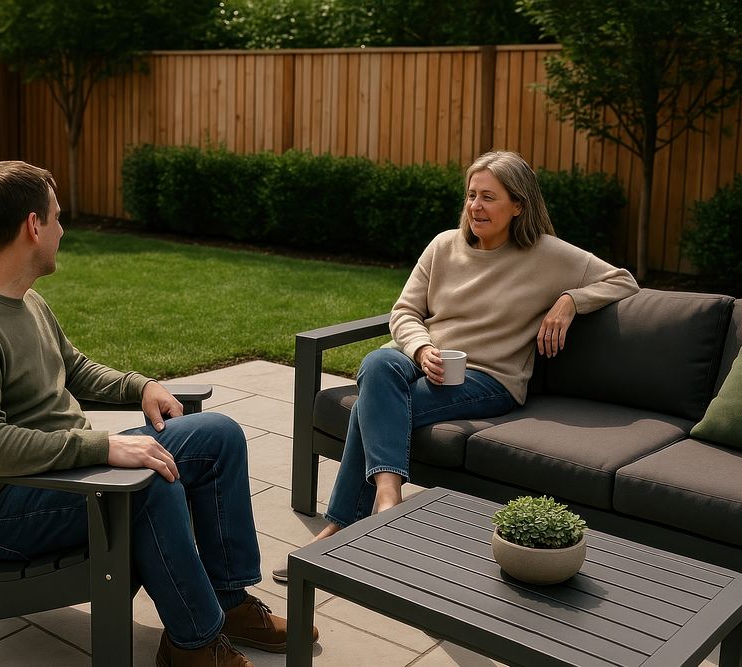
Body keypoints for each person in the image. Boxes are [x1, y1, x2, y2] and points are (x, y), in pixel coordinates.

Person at [0, 160, 315, 667]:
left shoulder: (26, 301)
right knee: (150, 481)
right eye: (57, 217)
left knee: (219, 435)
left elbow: (75, 370)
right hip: (0, 509)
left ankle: (229, 601)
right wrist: (105, 448)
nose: (62, 229)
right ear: (33, 227)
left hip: (59, 473)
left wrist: (140, 386)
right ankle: (192, 645)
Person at [273, 150, 639, 582]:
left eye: (489, 197)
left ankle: (341, 525)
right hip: (422, 359)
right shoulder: (444, 245)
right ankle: (388, 500)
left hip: (489, 378)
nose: (475, 207)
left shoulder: (551, 255)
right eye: (471, 196)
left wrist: (569, 301)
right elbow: (405, 311)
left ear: (518, 204)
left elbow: (623, 280)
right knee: (378, 363)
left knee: (375, 408)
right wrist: (421, 348)